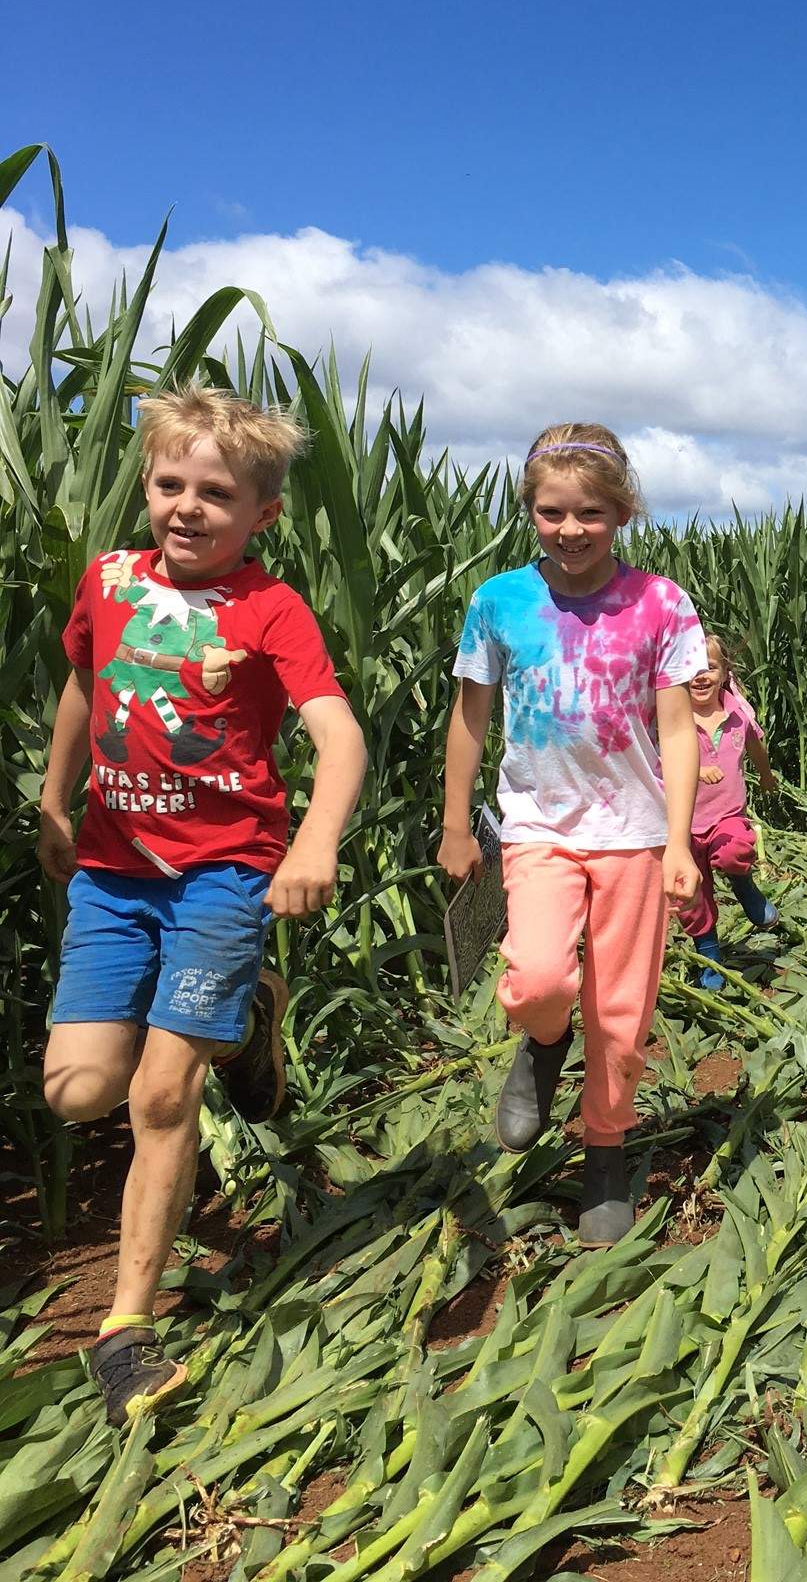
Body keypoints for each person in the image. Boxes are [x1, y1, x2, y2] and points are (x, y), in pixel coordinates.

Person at [38, 386, 368, 1428]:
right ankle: (249, 1015)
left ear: (262, 513)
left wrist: (315, 840)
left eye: (215, 494)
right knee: (79, 1090)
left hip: (225, 872)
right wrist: (54, 800)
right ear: (146, 485)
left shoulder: (271, 609)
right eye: (169, 483)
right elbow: (85, 686)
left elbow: (338, 732)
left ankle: (126, 1330)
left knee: (159, 1094)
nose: (187, 507)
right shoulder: (108, 581)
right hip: (113, 871)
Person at [438, 422, 703, 1248]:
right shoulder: (500, 601)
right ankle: (545, 1039)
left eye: (591, 511)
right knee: (540, 977)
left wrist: (681, 842)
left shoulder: (661, 603)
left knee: (621, 1008)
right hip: (537, 822)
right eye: (551, 512)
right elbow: (469, 718)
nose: (571, 529)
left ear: (621, 511)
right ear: (530, 511)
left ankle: (606, 1151)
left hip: (634, 831)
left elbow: (680, 728)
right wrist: (454, 822)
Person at [679, 636, 779, 991]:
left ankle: (744, 886)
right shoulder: (672, 716)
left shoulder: (737, 713)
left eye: (709, 667)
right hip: (683, 825)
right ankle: (709, 957)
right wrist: (694, 771)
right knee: (691, 895)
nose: (700, 676)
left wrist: (766, 775)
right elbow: (655, 764)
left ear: (724, 673)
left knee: (736, 849)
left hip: (727, 814)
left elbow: (754, 745)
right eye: (691, 668)